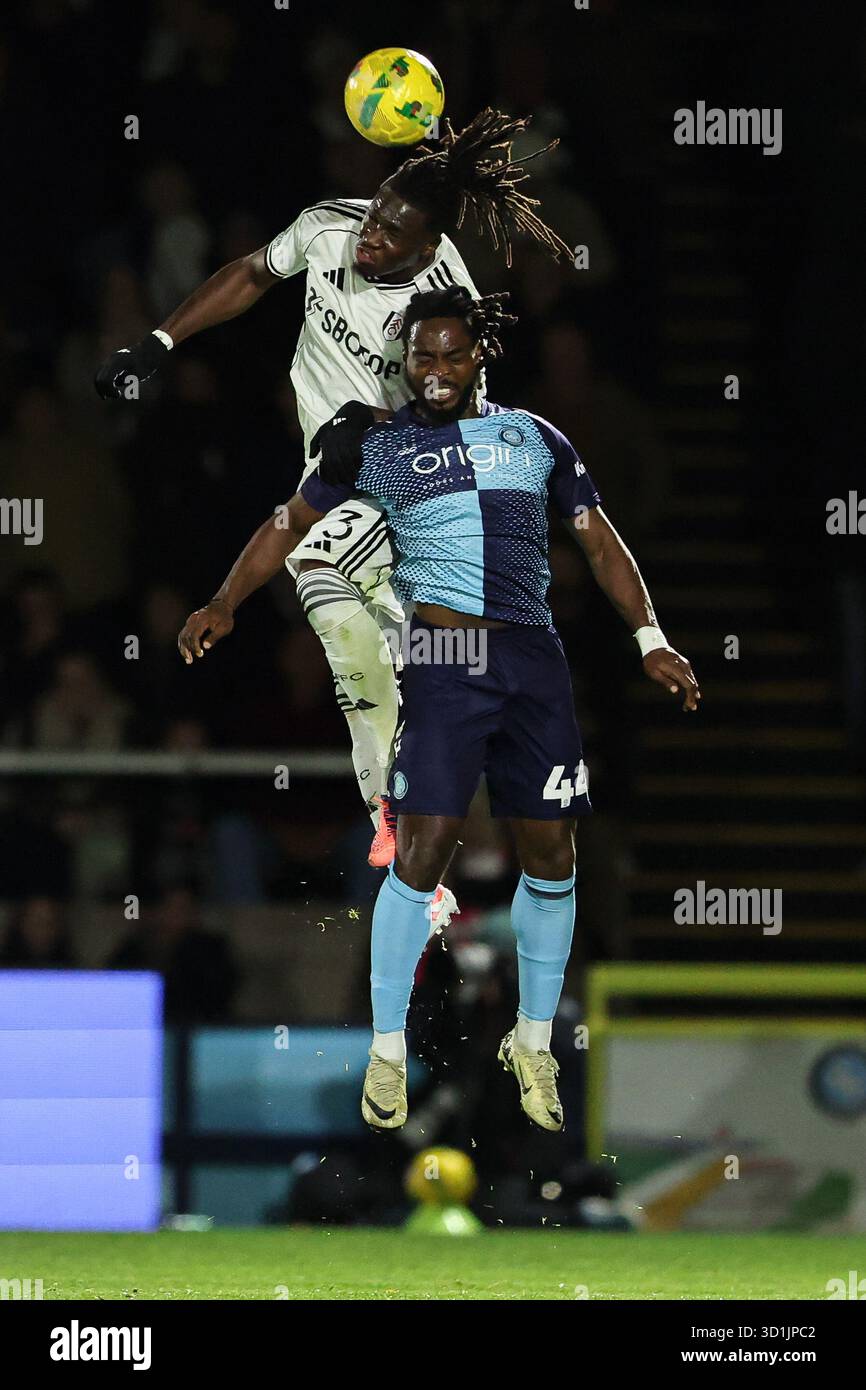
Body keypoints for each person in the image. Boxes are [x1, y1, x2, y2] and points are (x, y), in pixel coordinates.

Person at [178, 284, 701, 1132]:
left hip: (531, 659)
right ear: (406, 359)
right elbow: (286, 522)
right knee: (421, 852)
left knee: (553, 854)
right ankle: (386, 1054)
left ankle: (533, 1042)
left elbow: (599, 540)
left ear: (479, 355)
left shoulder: (533, 437)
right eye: (423, 355)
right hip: (446, 660)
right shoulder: (375, 444)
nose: (437, 369)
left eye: (453, 354)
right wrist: (223, 600)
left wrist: (650, 638)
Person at [96, 110, 573, 885]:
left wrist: (378, 425)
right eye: (375, 213)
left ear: (428, 247)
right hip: (337, 472)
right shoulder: (328, 226)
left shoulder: (444, 313)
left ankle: (430, 807)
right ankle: (430, 824)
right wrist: (160, 342)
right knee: (398, 655)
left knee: (319, 571)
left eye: (391, 232)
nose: (370, 236)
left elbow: (463, 440)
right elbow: (252, 273)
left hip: (414, 491)